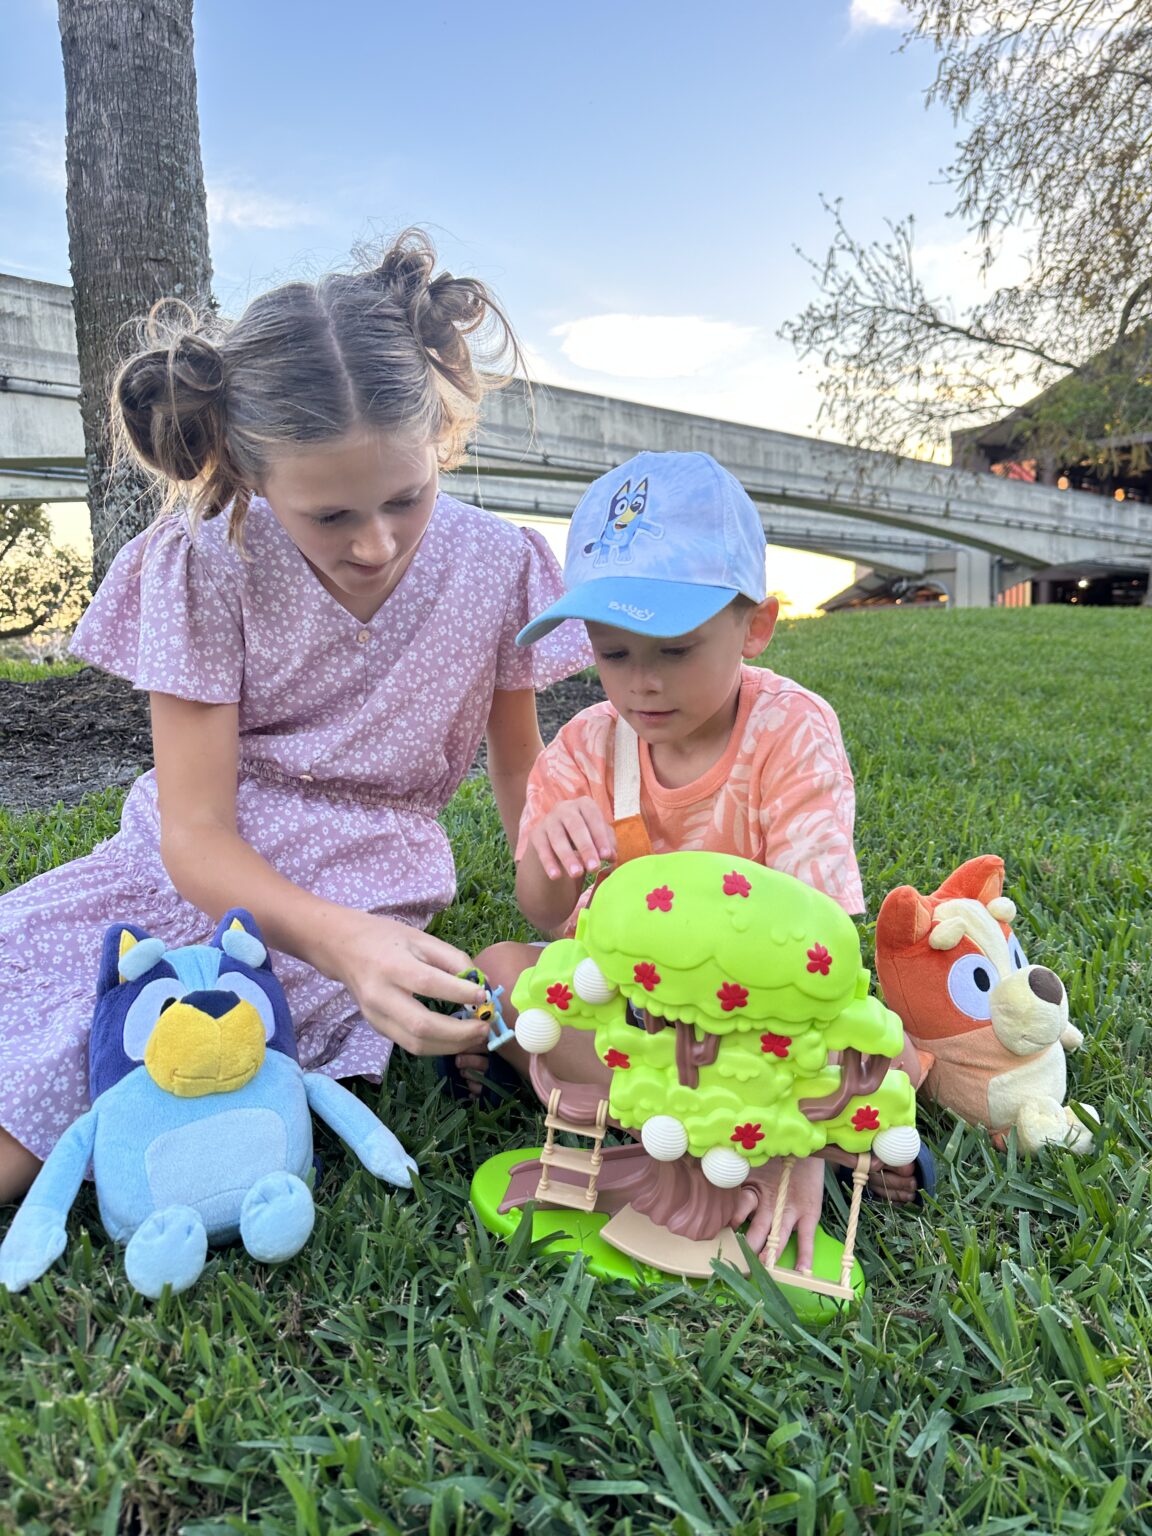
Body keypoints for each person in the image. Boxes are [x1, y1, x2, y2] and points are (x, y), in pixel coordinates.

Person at [0, 229, 591, 1203]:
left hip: (363, 889)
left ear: (440, 431)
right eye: (329, 517)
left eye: (406, 498)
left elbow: (523, 774)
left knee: (64, 1110)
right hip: (189, 872)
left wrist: (575, 905)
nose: (375, 544)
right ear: (248, 468)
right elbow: (194, 832)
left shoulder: (496, 565)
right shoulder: (207, 558)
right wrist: (339, 943)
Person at [450, 450, 926, 1271]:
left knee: (891, 1059)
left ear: (757, 624)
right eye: (614, 653)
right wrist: (553, 852)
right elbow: (539, 913)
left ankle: (720, 1130)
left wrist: (795, 1145)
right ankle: (690, 1129)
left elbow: (821, 947)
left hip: (762, 1026)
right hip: (632, 1013)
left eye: (674, 650)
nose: (642, 686)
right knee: (500, 968)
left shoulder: (791, 734)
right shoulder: (586, 746)